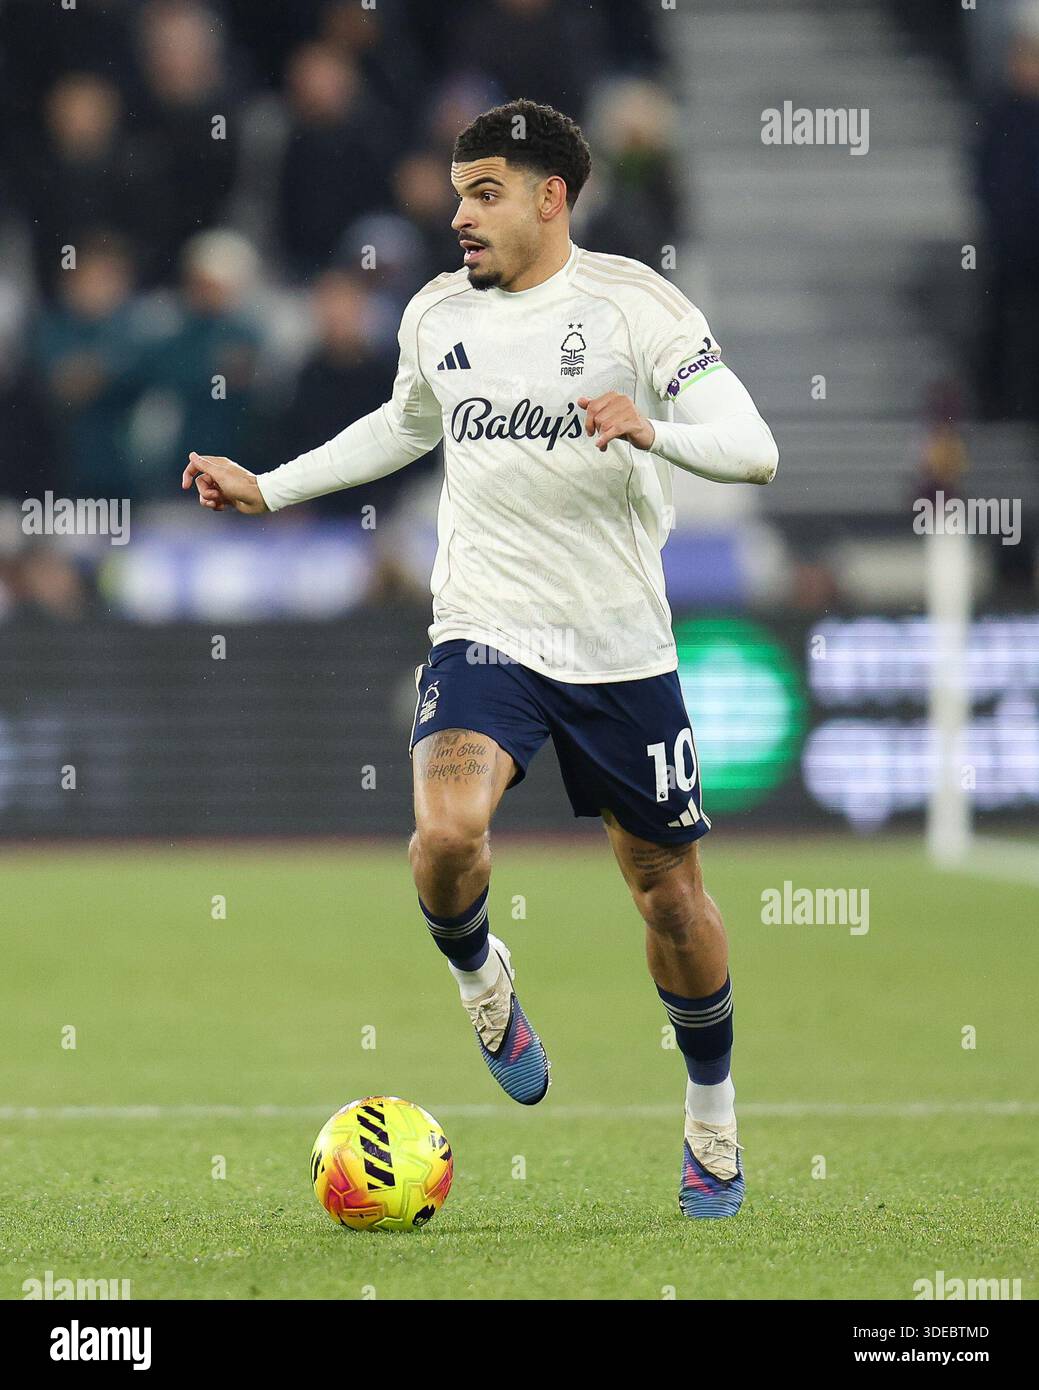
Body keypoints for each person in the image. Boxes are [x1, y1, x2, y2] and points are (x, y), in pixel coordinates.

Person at [182, 99, 778, 1221]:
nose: (458, 213)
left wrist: (654, 431)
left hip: (617, 647)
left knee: (670, 898)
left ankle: (711, 1119)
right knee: (446, 832)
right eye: (457, 190)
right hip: (483, 629)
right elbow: (404, 425)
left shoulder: (636, 310)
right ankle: (481, 978)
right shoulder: (436, 312)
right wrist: (272, 483)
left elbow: (754, 450)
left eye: (485, 191)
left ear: (553, 198)